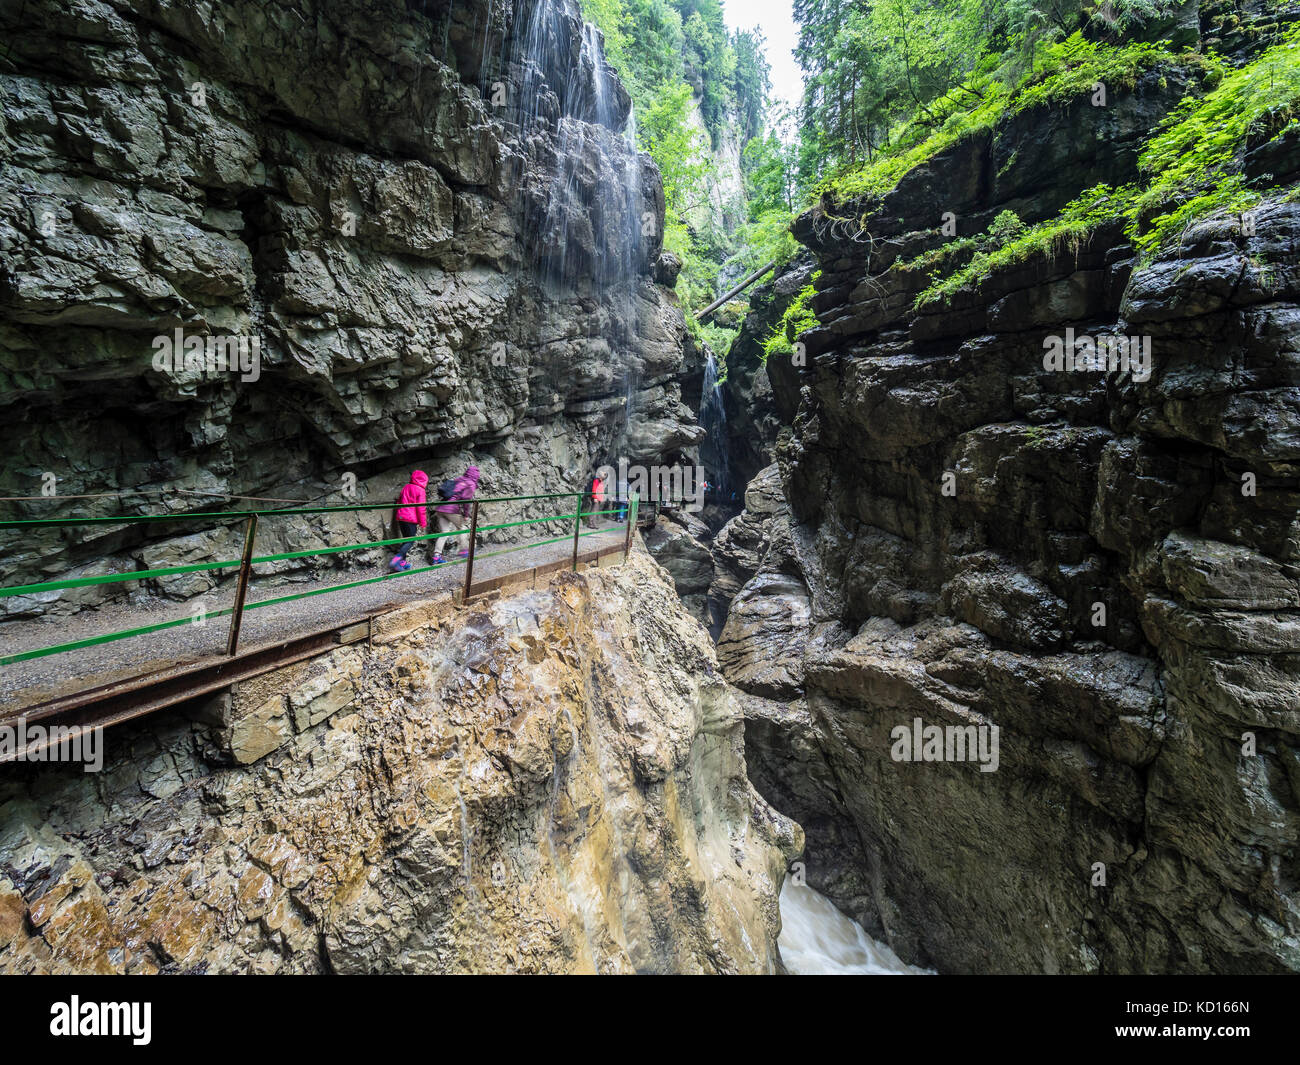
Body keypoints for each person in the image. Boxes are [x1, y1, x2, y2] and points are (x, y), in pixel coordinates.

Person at [432, 465, 480, 563]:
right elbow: (466, 500)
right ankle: (464, 550)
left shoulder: (459, 479)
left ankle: (436, 556)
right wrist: (466, 515)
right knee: (462, 528)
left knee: (444, 532)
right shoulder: (471, 484)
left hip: (440, 508)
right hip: (451, 509)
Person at [390, 470, 429, 572]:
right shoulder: (420, 490)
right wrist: (423, 523)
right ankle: (396, 559)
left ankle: (402, 562)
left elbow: (399, 501)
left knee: (406, 539)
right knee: (410, 540)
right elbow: (421, 508)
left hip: (401, 517)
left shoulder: (406, 487)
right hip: (410, 518)